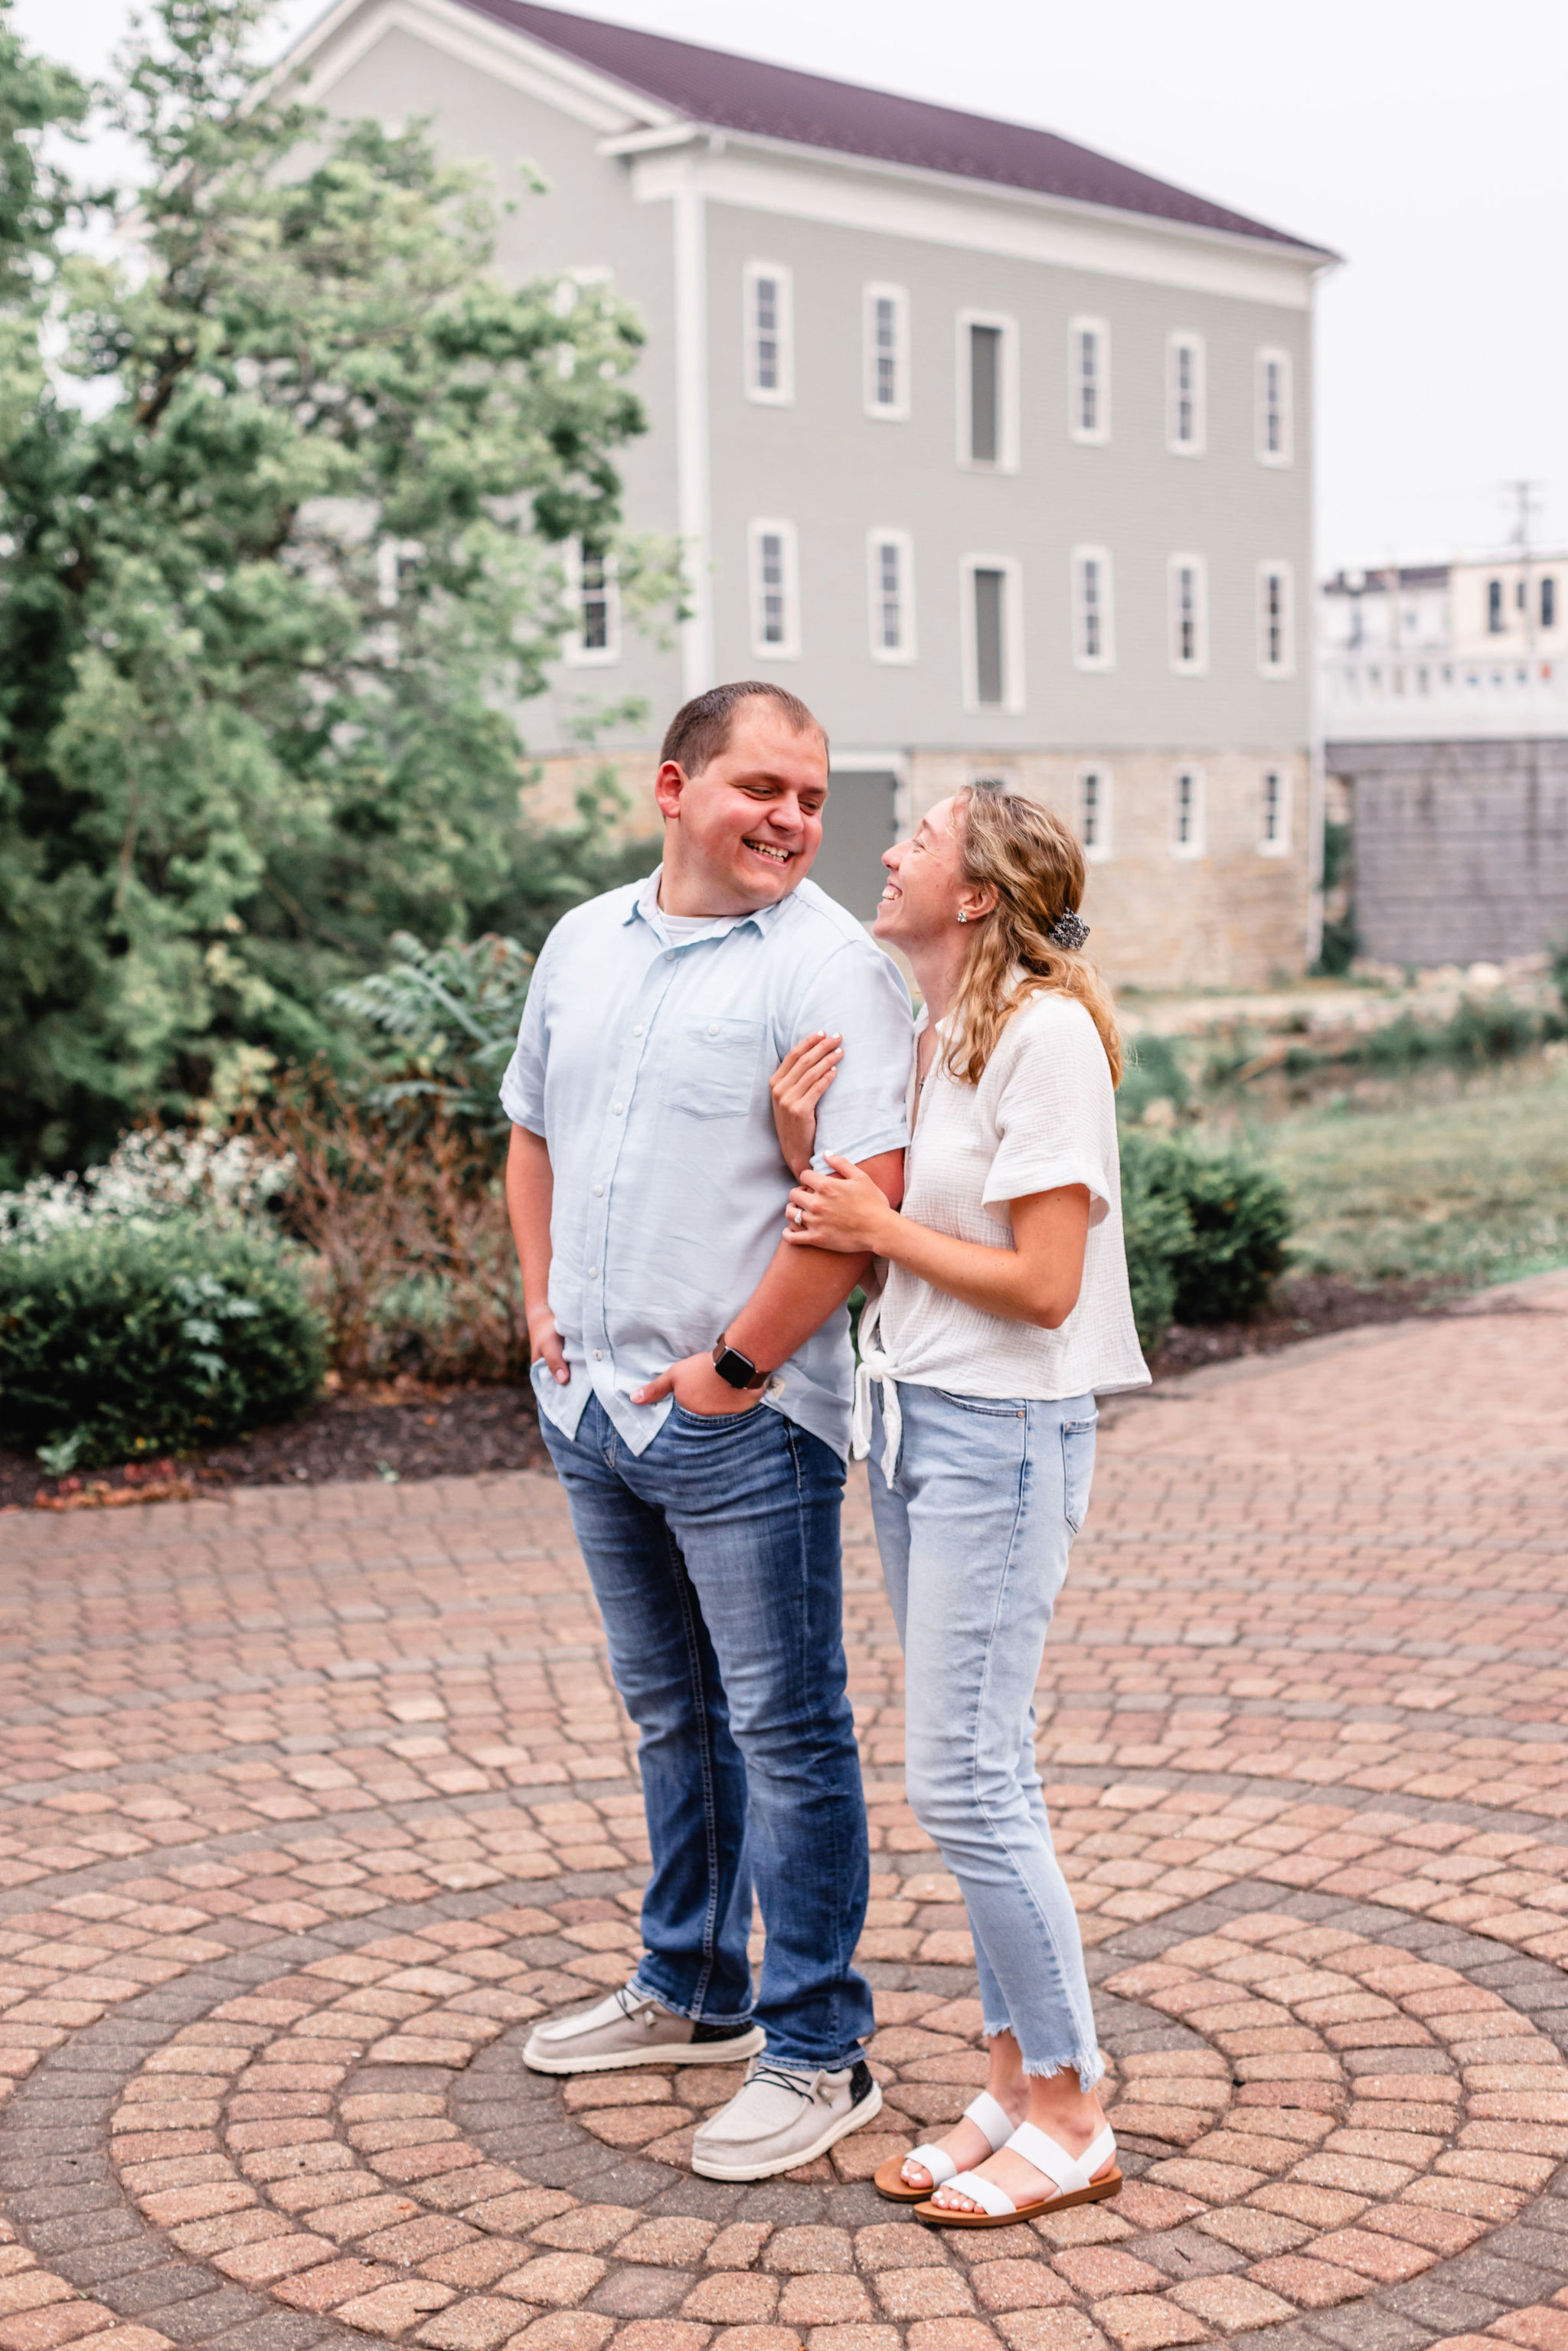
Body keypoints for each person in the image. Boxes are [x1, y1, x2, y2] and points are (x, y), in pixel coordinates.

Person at [501, 681, 913, 2183]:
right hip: (589, 1406)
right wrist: (538, 1301)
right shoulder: (581, 941)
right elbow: (531, 1128)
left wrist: (732, 1370)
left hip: (743, 1421)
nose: (792, 820)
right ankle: (691, 1987)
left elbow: (864, 1205)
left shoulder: (834, 968)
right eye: (762, 789)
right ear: (673, 788)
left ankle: (818, 2051)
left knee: (788, 1736)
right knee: (672, 1715)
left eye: (810, 798)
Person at [771, 782, 1148, 2229]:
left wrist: (878, 1225)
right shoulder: (944, 1035)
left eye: (919, 840)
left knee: (964, 1781)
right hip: (918, 1424)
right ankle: (1009, 2085)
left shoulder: (1047, 1037)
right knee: (989, 1770)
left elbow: (1044, 1287)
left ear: (978, 892)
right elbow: (905, 1255)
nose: (887, 852)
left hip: (1005, 1432)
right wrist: (809, 1156)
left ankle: (1072, 2109)